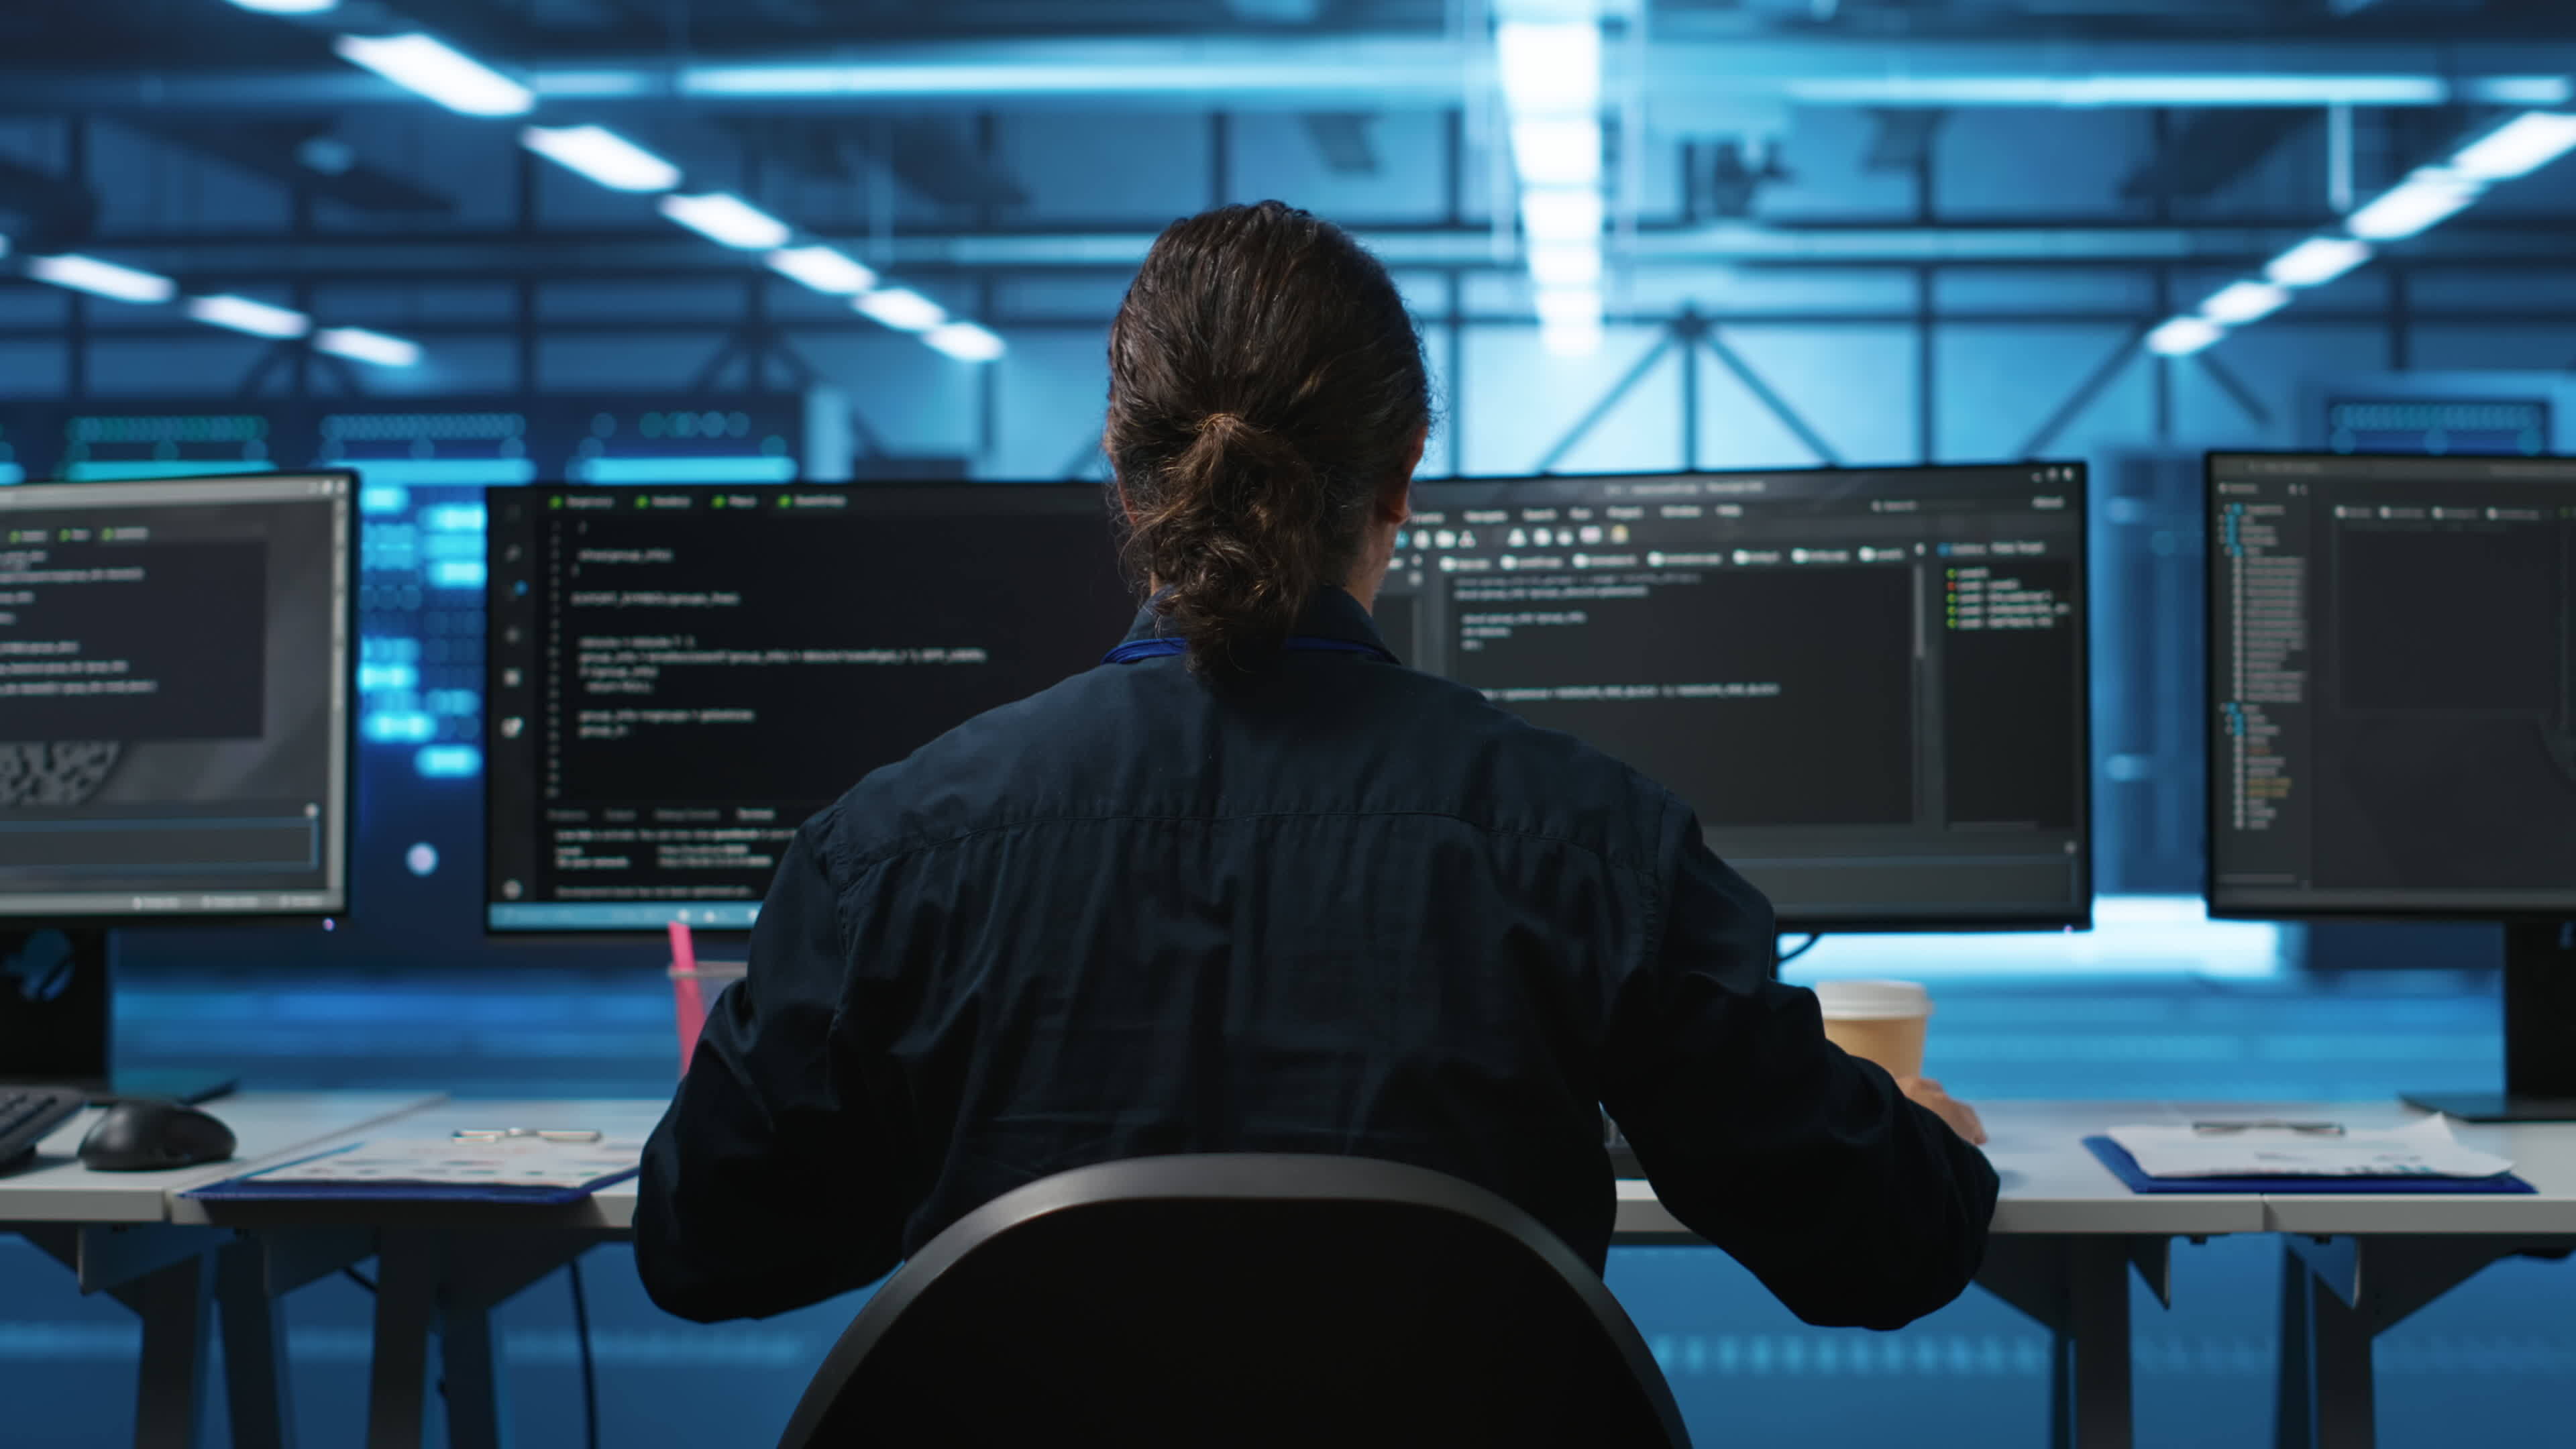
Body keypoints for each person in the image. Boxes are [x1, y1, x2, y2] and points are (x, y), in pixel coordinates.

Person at [635, 201, 1996, 1330]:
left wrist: (965, 1151)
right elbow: (1886, 1249)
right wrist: (1906, 1131)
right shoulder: (1593, 850)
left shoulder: (890, 857)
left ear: (1124, 469)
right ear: (1404, 477)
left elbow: (705, 1245)